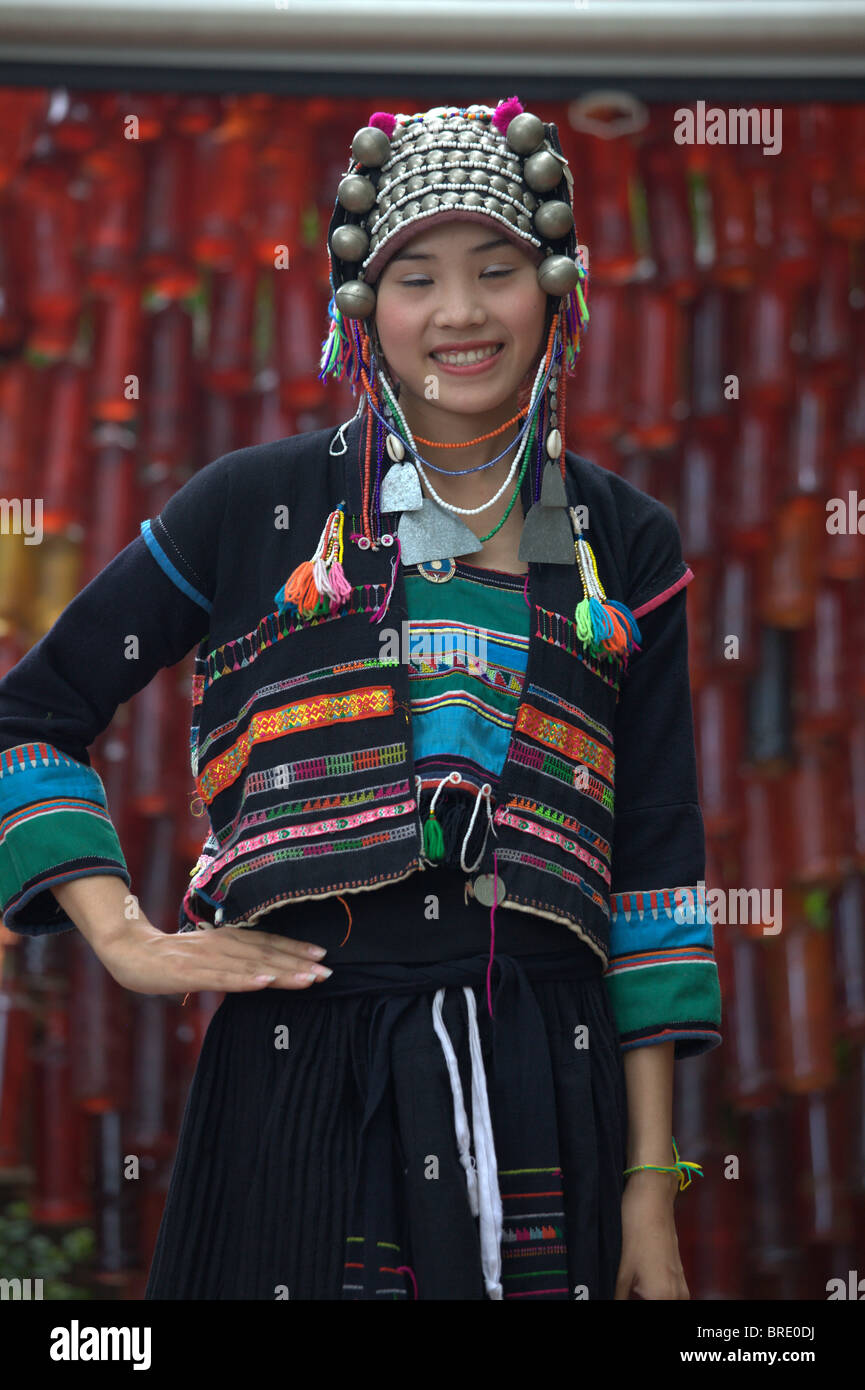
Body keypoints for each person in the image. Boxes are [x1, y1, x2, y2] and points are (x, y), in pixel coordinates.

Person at [0, 97, 721, 1300]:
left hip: (549, 1067)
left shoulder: (623, 543)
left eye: (494, 270)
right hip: (301, 1064)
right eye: (415, 278)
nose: (457, 314)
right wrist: (125, 941)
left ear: (554, 292)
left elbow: (650, 856)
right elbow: (32, 711)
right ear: (361, 310)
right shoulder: (253, 508)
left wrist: (653, 1184)